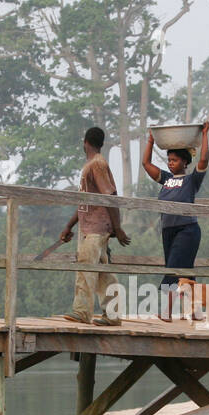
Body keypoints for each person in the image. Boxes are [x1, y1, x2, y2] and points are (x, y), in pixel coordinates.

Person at [142, 120, 209, 322]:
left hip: (187, 230)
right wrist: (151, 140)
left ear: (184, 162)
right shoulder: (165, 178)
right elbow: (146, 164)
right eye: (169, 160)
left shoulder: (191, 180)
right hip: (168, 231)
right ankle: (196, 311)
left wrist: (205, 134)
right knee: (185, 270)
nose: (170, 163)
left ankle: (166, 311)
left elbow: (204, 159)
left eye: (174, 160)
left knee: (173, 269)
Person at [60, 127, 130, 326]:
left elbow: (110, 197)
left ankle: (82, 312)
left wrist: (118, 228)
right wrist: (69, 226)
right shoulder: (92, 165)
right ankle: (113, 315)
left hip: (96, 228)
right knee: (102, 273)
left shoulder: (97, 164)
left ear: (85, 142)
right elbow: (86, 202)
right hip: (90, 226)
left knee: (85, 267)